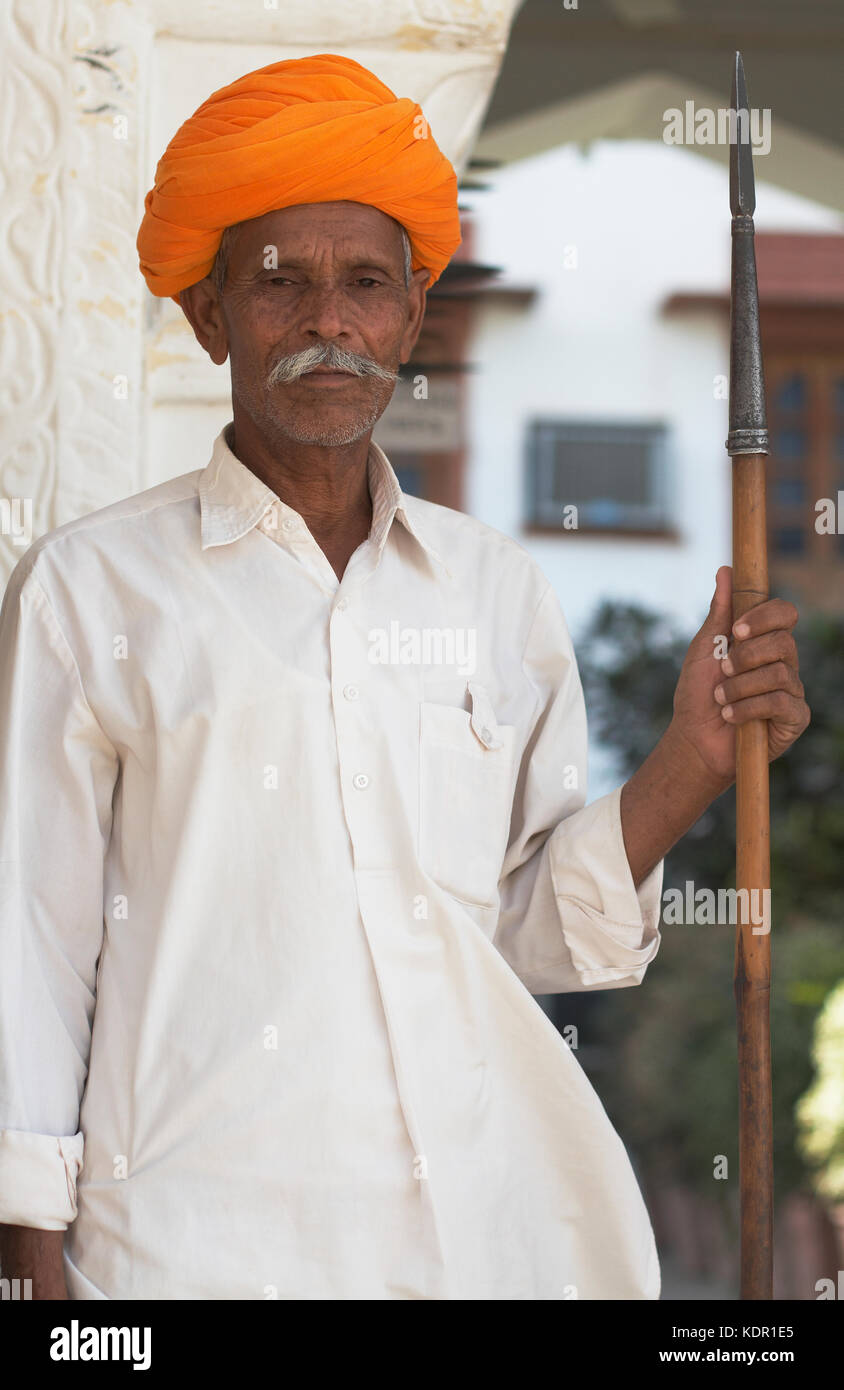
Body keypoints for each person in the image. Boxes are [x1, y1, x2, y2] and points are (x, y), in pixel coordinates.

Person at [0, 54, 809, 1300]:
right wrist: (32, 1261)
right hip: (183, 1260)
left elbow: (528, 934)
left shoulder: (495, 593)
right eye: (280, 284)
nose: (327, 322)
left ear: (412, 315)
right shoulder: (89, 592)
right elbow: (30, 948)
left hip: (476, 1247)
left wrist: (690, 763)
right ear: (211, 314)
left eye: (365, 285)